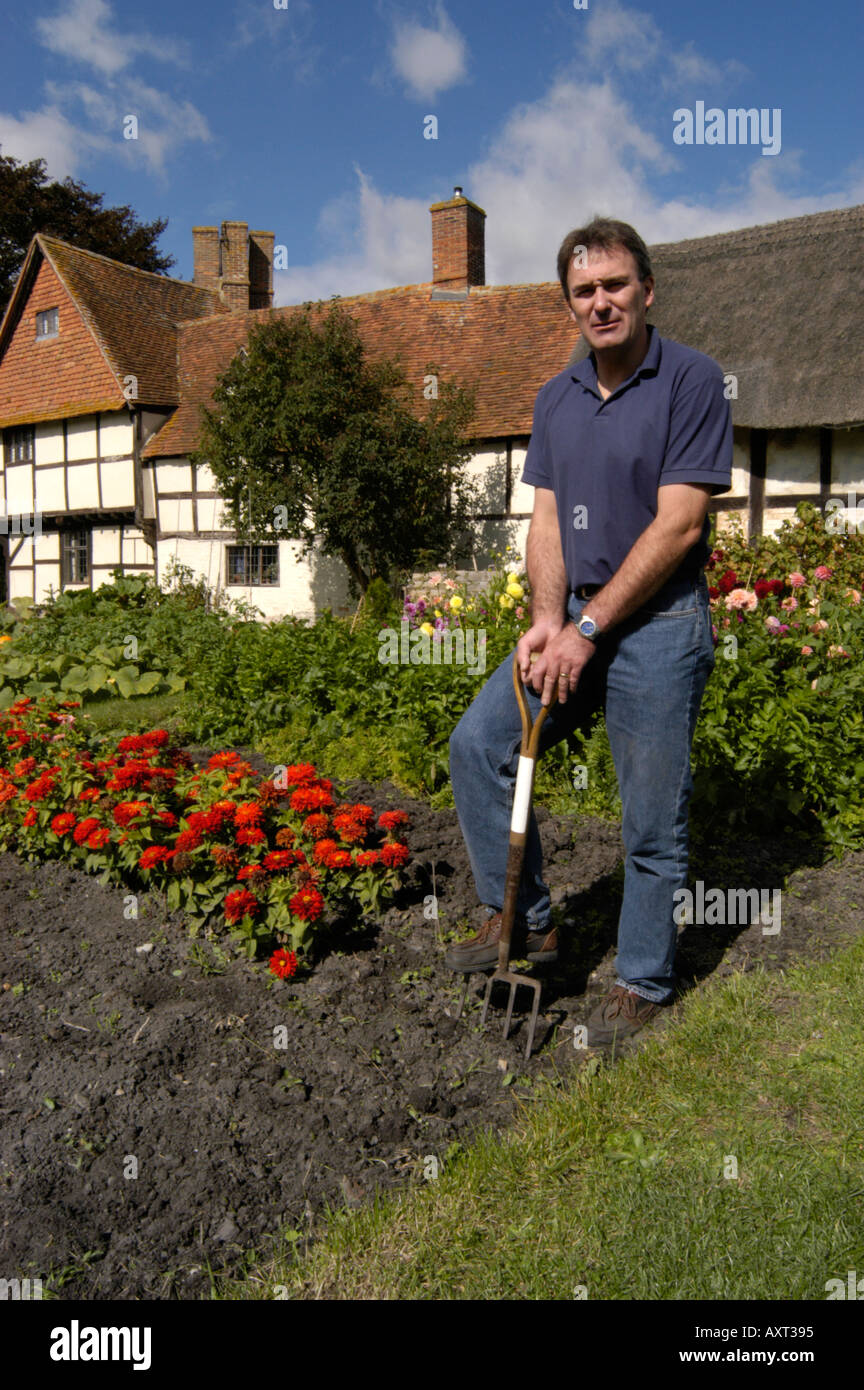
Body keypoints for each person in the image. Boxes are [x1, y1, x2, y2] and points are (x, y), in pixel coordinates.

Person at [446, 217, 732, 1045]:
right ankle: (524, 920)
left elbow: (679, 526)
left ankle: (643, 977)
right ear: (568, 303)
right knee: (479, 744)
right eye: (584, 291)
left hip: (658, 626)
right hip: (571, 620)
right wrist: (547, 620)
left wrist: (592, 625)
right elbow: (544, 522)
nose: (600, 302)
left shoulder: (691, 381)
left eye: (614, 285)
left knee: (650, 816)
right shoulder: (556, 397)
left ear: (646, 288)